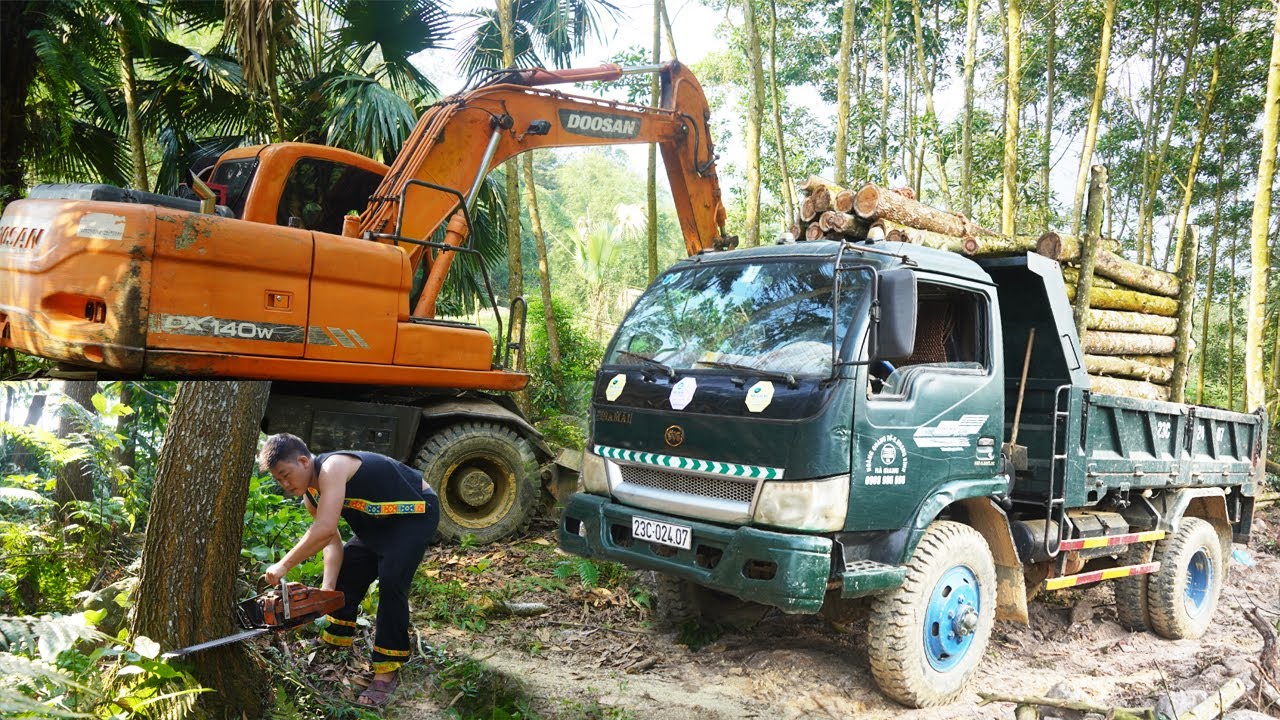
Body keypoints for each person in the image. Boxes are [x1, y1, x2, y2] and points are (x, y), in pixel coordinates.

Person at [258, 433, 439, 708]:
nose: (284, 484)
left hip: (413, 515)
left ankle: (386, 671)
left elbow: (324, 530)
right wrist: (327, 590)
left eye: (286, 474)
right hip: (377, 523)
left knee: (391, 582)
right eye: (278, 480)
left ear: (304, 461)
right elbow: (331, 545)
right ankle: (337, 638)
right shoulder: (311, 497)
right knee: (350, 569)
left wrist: (284, 565)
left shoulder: (333, 467)